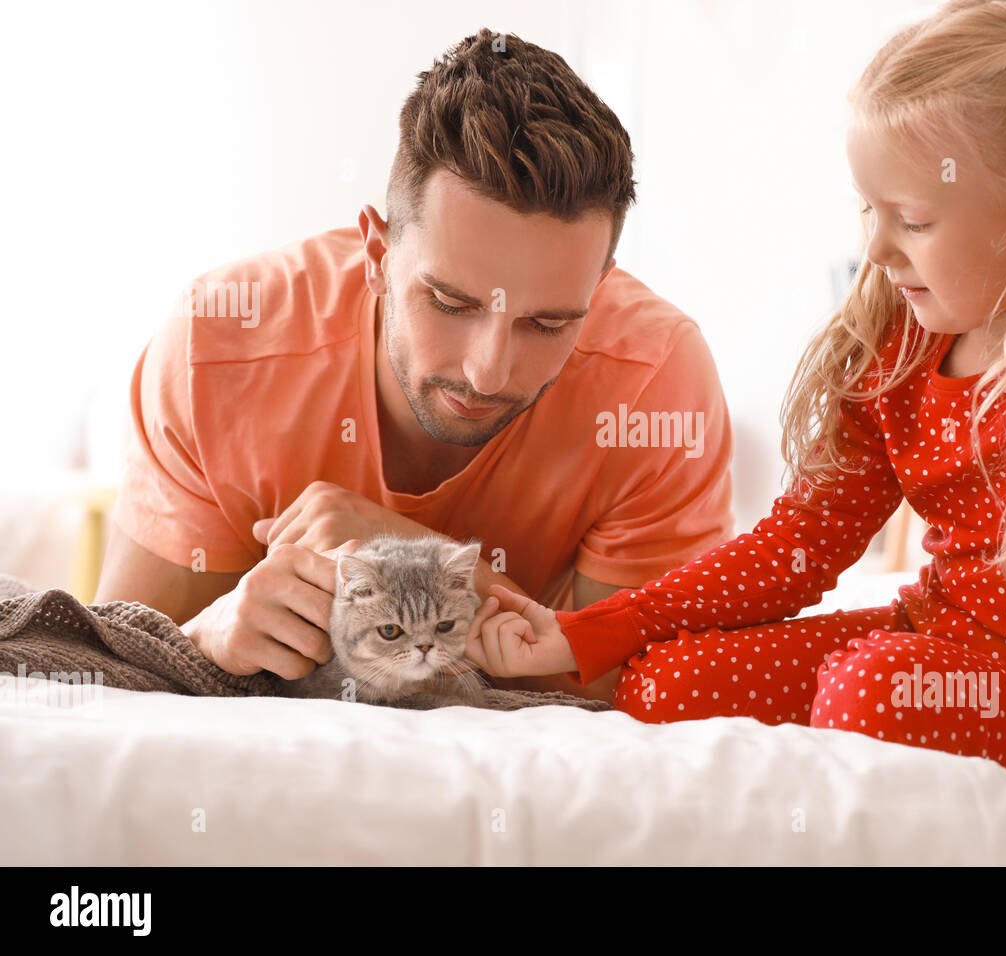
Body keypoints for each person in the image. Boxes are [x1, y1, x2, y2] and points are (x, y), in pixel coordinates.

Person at [464, 0, 1006, 801]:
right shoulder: (903, 337)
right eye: (870, 210)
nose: (875, 247)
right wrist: (591, 631)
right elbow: (799, 542)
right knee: (664, 685)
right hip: (941, 641)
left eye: (914, 219)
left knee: (870, 691)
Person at [93, 29, 736, 705]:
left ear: (599, 291)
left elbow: (642, 691)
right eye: (451, 303)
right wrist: (209, 634)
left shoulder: (657, 382)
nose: (490, 372)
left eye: (549, 323)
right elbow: (120, 674)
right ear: (377, 252)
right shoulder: (216, 348)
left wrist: (407, 549)